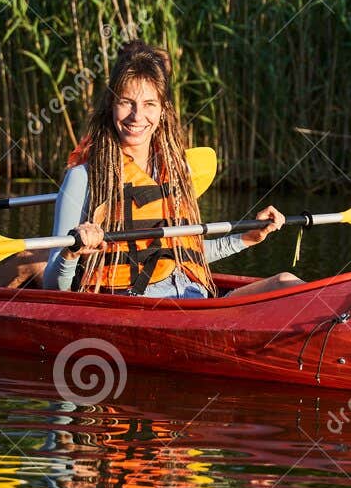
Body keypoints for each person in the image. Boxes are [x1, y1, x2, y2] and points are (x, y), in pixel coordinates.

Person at [43, 42, 300, 297]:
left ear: (163, 110)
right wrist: (72, 251)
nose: (137, 116)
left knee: (287, 283)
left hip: (195, 295)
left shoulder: (176, 171)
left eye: (149, 104)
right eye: (126, 102)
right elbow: (53, 286)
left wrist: (250, 235)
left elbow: (185, 252)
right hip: (136, 307)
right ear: (111, 104)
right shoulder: (83, 177)